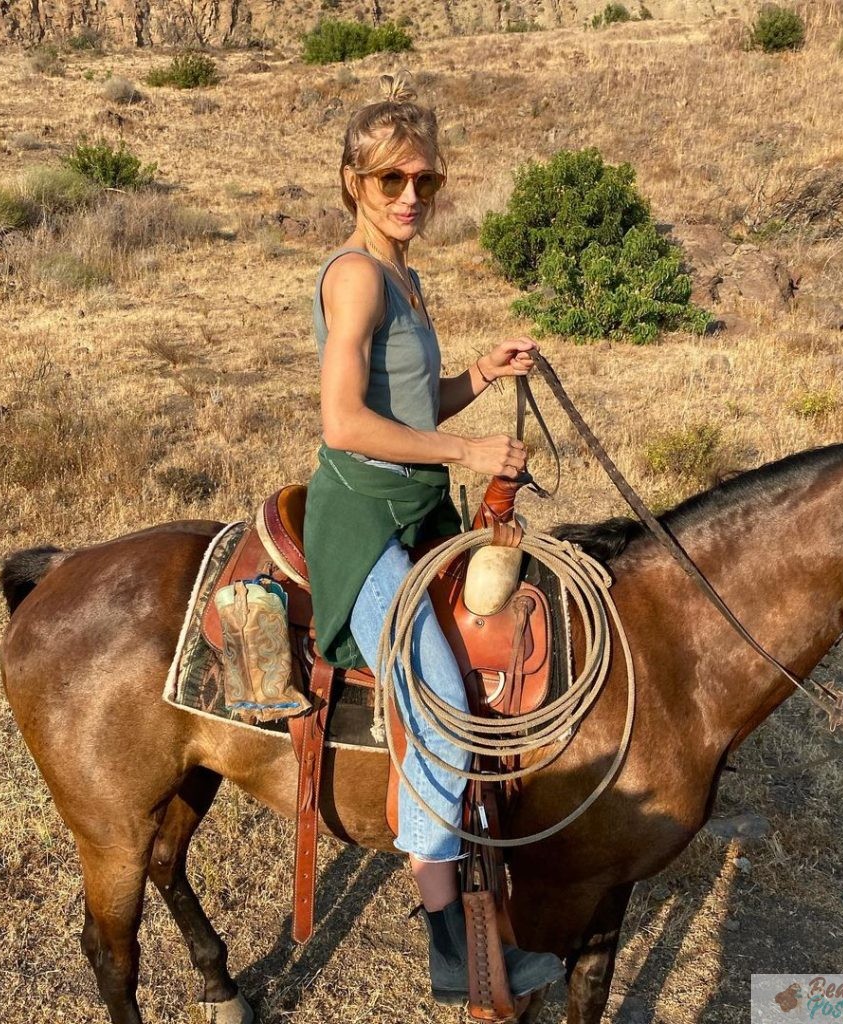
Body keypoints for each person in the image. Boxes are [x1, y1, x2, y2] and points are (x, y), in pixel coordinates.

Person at [302, 71, 564, 1004]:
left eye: (426, 181)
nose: (411, 196)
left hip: (418, 511)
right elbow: (343, 422)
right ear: (353, 183)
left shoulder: (406, 277)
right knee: (445, 705)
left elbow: (408, 406)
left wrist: (479, 376)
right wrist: (466, 450)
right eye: (391, 180)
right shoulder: (356, 278)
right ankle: (451, 947)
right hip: (364, 523)